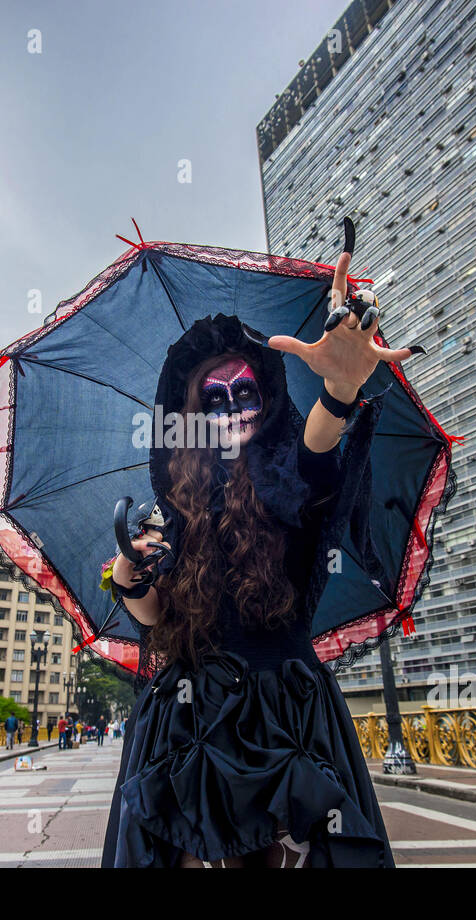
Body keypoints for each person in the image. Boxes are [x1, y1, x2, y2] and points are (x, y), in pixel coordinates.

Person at [100, 303, 420, 868]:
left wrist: (340, 391)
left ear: (267, 402)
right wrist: (127, 579)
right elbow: (159, 618)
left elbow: (318, 457)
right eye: (213, 400)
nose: (231, 409)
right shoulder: (176, 507)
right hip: (190, 714)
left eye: (244, 394)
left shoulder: (290, 485)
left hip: (284, 712)